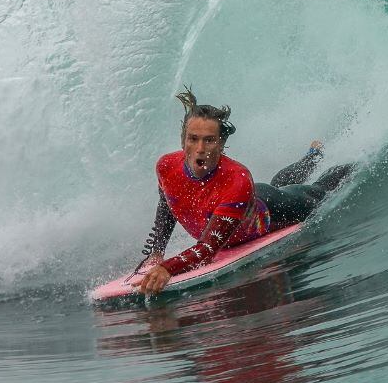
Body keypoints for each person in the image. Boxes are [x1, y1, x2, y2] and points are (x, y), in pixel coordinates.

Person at [134, 87, 354, 294]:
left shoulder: (236, 180)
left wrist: (168, 268)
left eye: (209, 140)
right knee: (278, 182)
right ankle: (311, 156)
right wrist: (156, 252)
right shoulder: (166, 166)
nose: (200, 149)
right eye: (193, 139)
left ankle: (352, 160)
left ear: (221, 144)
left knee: (316, 192)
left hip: (272, 211)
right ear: (183, 140)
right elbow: (167, 206)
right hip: (252, 199)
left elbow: (209, 249)